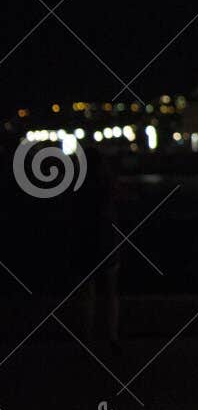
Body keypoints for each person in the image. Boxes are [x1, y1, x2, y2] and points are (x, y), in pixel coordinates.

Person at [69, 145, 121, 351]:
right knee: (111, 292)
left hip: (85, 242)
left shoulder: (78, 187)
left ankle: (86, 339)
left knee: (86, 293)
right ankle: (112, 337)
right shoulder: (107, 184)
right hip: (106, 241)